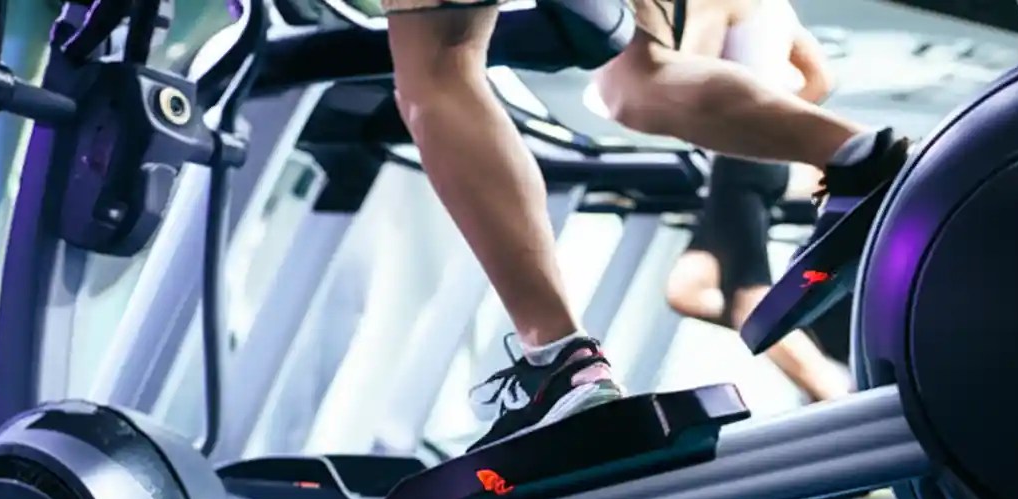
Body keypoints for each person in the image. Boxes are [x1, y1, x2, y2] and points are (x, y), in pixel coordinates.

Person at [383, 0, 909, 450]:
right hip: (751, 148)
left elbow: (702, 57)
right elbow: (820, 76)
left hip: (738, 165)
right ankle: (859, 156)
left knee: (438, 67)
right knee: (635, 81)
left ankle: (561, 364)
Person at [661, 0, 853, 402]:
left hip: (739, 162)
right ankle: (797, 323)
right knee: (687, 288)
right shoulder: (777, 8)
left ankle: (840, 399)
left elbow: (682, 79)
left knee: (749, 304)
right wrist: (771, 121)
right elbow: (820, 78)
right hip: (763, 161)